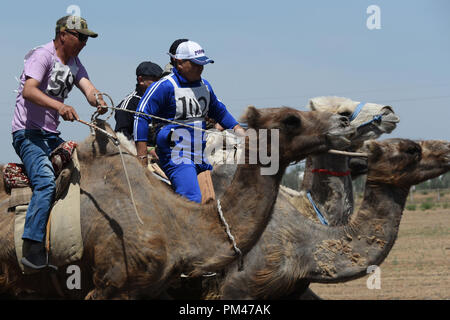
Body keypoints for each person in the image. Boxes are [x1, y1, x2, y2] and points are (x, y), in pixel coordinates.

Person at [11, 15, 107, 270]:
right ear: (63, 34)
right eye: (81, 36)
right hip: (28, 134)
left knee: (82, 174)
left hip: (51, 136)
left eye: (87, 38)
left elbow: (88, 89)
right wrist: (61, 106)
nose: (85, 42)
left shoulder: (75, 64)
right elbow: (29, 91)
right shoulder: (42, 55)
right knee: (44, 182)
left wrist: (99, 99)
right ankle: (32, 250)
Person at [134, 40, 244, 203]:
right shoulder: (164, 86)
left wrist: (239, 130)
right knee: (192, 200)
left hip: (200, 152)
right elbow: (140, 116)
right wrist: (142, 157)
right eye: (195, 64)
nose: (201, 68)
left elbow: (218, 110)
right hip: (177, 154)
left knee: (211, 203)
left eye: (202, 64)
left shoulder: (205, 86)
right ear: (179, 63)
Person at [114, 61, 163, 141]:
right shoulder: (128, 105)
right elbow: (122, 136)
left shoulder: (162, 100)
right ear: (141, 80)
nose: (159, 84)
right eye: (155, 80)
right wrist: (147, 149)